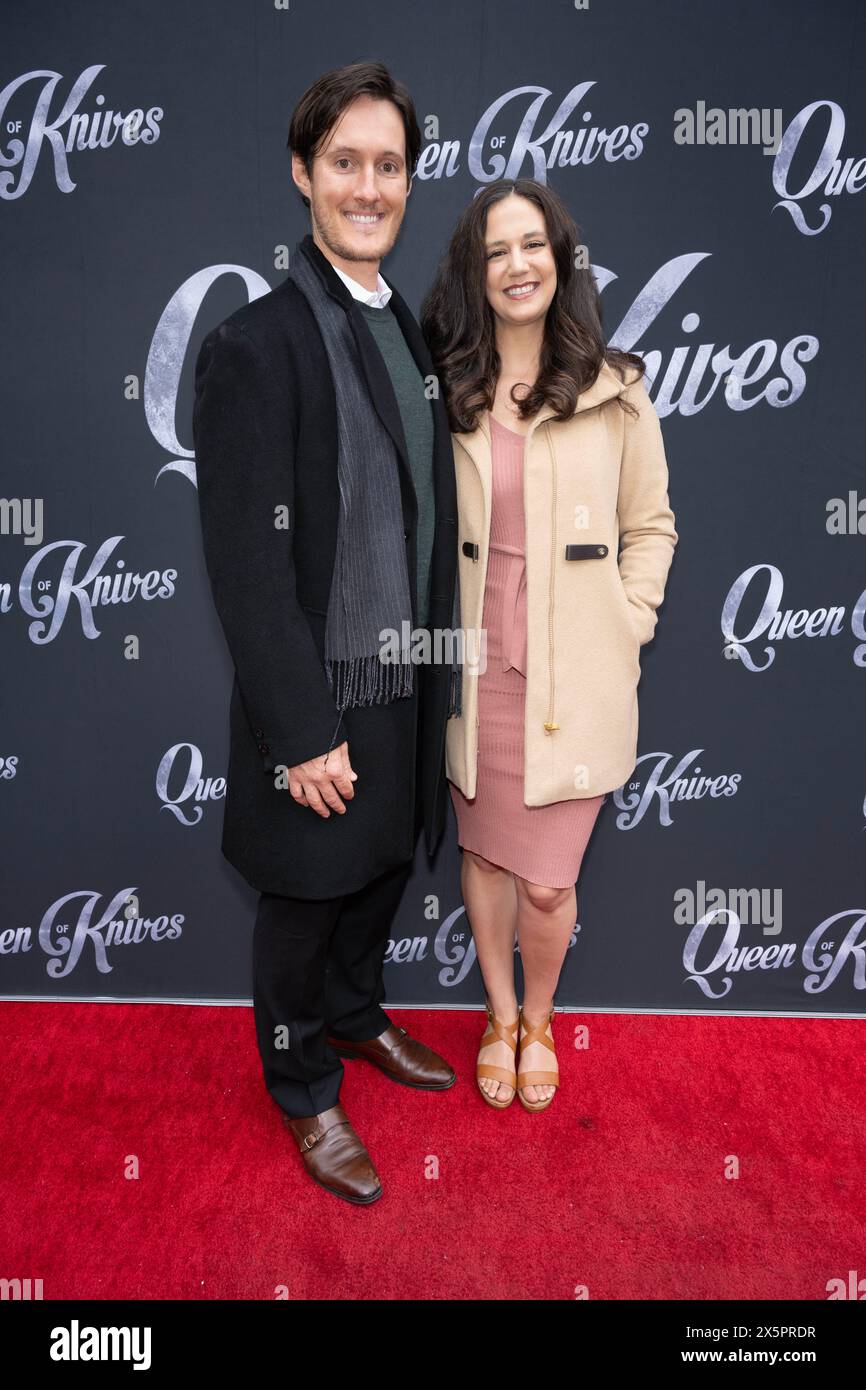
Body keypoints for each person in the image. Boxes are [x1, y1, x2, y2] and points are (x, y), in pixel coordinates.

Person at [192, 61, 459, 1204]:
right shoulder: (258, 342)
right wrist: (301, 731)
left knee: (380, 867)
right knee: (305, 896)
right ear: (302, 174)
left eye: (387, 166)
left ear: (409, 181)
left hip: (404, 673)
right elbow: (248, 564)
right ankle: (302, 1085)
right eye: (343, 162)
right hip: (318, 685)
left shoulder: (402, 327)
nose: (367, 186)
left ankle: (354, 1017)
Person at [421, 178, 678, 1114]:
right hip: (477, 670)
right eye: (495, 251)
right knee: (485, 860)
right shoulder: (447, 387)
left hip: (578, 672)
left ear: (561, 258)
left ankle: (541, 1014)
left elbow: (652, 526)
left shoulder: (618, 389)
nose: (516, 265)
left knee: (545, 886)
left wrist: (629, 617)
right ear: (475, 272)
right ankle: (498, 1017)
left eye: (532, 245)